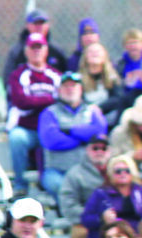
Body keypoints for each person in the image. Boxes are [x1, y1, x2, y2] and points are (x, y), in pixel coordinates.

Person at [6, 31, 61, 197]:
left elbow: (63, 100)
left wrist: (36, 101)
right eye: (32, 47)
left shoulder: (55, 75)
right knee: (16, 138)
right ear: (26, 51)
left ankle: (47, 182)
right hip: (27, 128)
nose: (36, 51)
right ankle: (20, 184)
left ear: (46, 50)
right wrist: (50, 99)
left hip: (49, 129)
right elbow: (21, 102)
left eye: (40, 47)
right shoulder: (19, 75)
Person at [37, 72, 107, 202]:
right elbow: (51, 140)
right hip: (57, 171)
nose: (70, 89)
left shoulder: (92, 111)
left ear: (80, 89)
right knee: (60, 185)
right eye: (66, 86)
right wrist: (82, 138)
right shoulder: (49, 113)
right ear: (59, 90)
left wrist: (69, 130)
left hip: (88, 170)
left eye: (73, 86)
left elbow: (99, 132)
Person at [80, 155, 142, 238]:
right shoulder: (100, 193)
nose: (123, 174)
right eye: (118, 171)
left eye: (127, 170)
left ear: (132, 172)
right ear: (111, 174)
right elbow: (85, 219)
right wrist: (102, 218)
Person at [59, 134, 111, 238]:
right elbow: (68, 205)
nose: (99, 152)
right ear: (87, 150)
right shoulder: (75, 173)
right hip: (85, 222)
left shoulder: (118, 170)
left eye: (104, 148)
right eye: (95, 148)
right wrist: (94, 217)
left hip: (116, 220)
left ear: (110, 151)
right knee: (80, 234)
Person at [2, 8, 67, 87]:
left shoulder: (56, 51)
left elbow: (66, 76)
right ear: (27, 25)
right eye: (36, 23)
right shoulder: (17, 51)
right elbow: (8, 79)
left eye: (42, 23)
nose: (39, 27)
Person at [77, 41, 123, 125]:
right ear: (85, 57)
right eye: (91, 52)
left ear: (104, 56)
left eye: (98, 51)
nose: (94, 53)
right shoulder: (78, 79)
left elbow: (118, 98)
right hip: (85, 119)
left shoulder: (113, 78)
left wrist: (99, 108)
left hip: (108, 119)